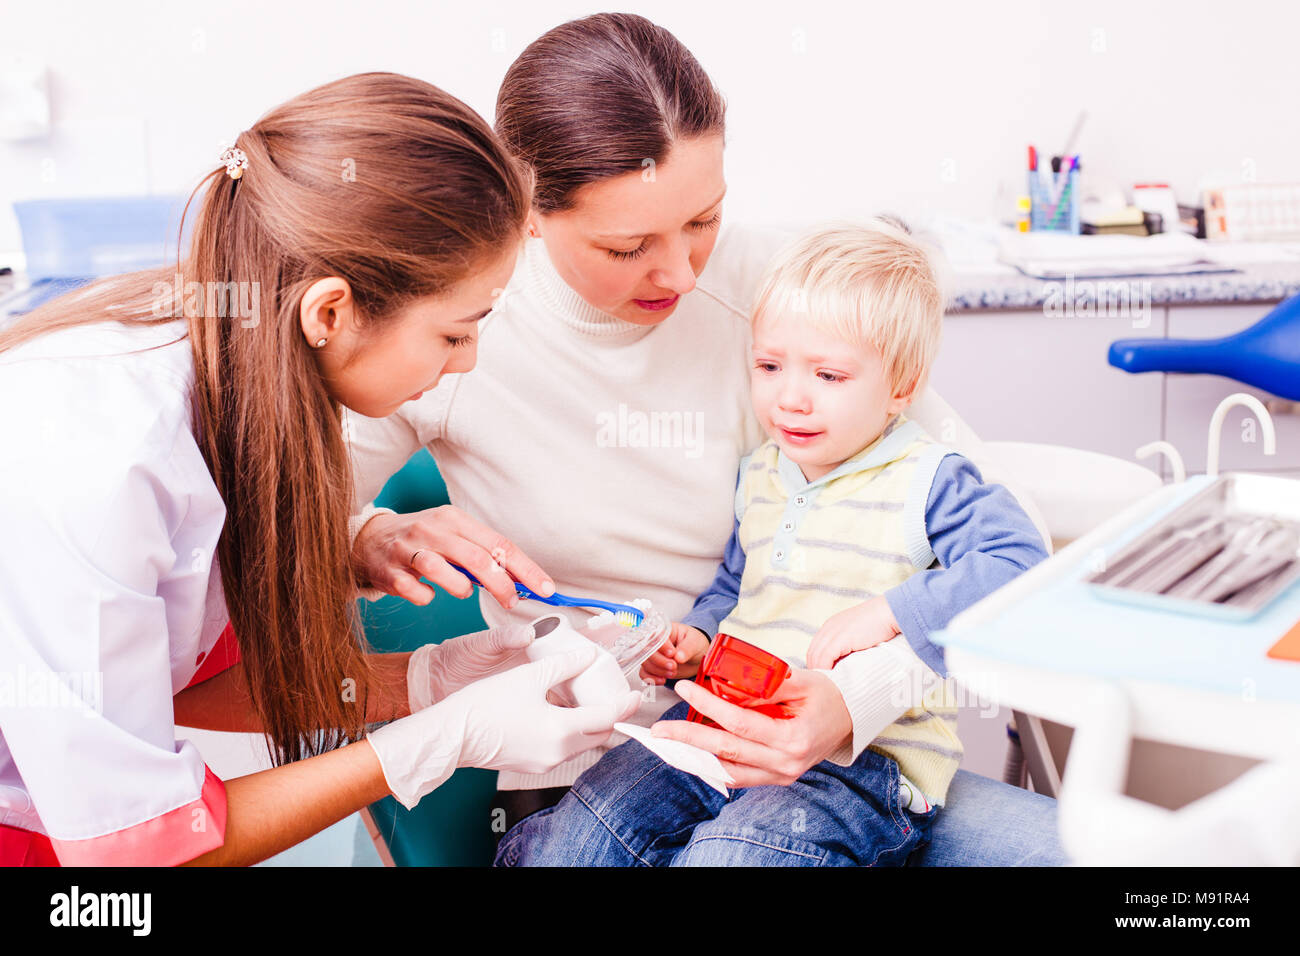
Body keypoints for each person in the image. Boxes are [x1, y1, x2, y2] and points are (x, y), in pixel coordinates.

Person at [346, 13, 1068, 864]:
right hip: (604, 759)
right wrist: (369, 534)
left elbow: (1017, 554)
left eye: (704, 219)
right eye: (628, 245)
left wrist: (852, 698)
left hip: (839, 753)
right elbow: (289, 521)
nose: (683, 275)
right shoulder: (457, 328)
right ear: (525, 205)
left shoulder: (786, 297)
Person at [0, 72, 636, 867]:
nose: (469, 360)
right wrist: (433, 742)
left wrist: (423, 675)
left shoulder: (227, 347)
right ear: (329, 312)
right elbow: (137, 853)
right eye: (456, 330)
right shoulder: (98, 463)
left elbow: (166, 673)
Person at [494, 220, 1050, 866]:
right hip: (713, 731)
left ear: (902, 386)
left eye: (829, 377)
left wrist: (890, 612)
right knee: (577, 838)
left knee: (731, 856)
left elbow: (1019, 563)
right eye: (769, 366)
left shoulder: (930, 478)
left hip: (858, 767)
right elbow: (736, 586)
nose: (791, 398)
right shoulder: (760, 472)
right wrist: (696, 640)